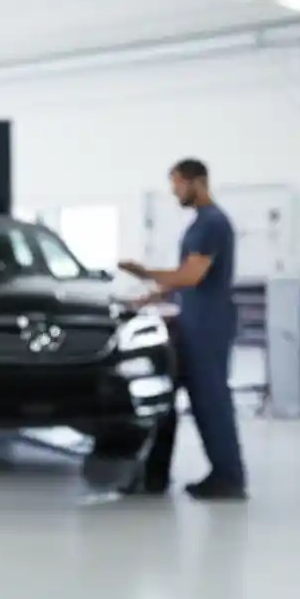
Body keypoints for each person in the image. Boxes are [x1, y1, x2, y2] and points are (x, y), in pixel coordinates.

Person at [119, 158, 247, 500]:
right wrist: (152, 296)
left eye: (177, 184)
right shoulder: (201, 224)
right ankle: (215, 474)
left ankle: (230, 477)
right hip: (195, 322)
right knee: (200, 400)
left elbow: (192, 276)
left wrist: (146, 272)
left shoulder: (212, 224)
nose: (174, 191)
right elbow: (185, 280)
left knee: (212, 401)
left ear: (196, 182)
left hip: (209, 325)